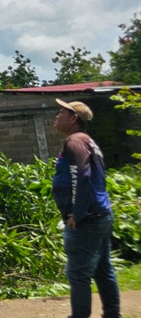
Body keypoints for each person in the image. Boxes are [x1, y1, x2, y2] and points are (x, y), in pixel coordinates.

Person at [52, 98, 120, 318]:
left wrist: (78, 213)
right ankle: (112, 314)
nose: (57, 116)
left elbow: (82, 175)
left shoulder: (75, 142)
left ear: (73, 118)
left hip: (87, 219)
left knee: (78, 273)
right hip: (100, 213)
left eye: (61, 113)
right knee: (102, 269)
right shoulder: (87, 141)